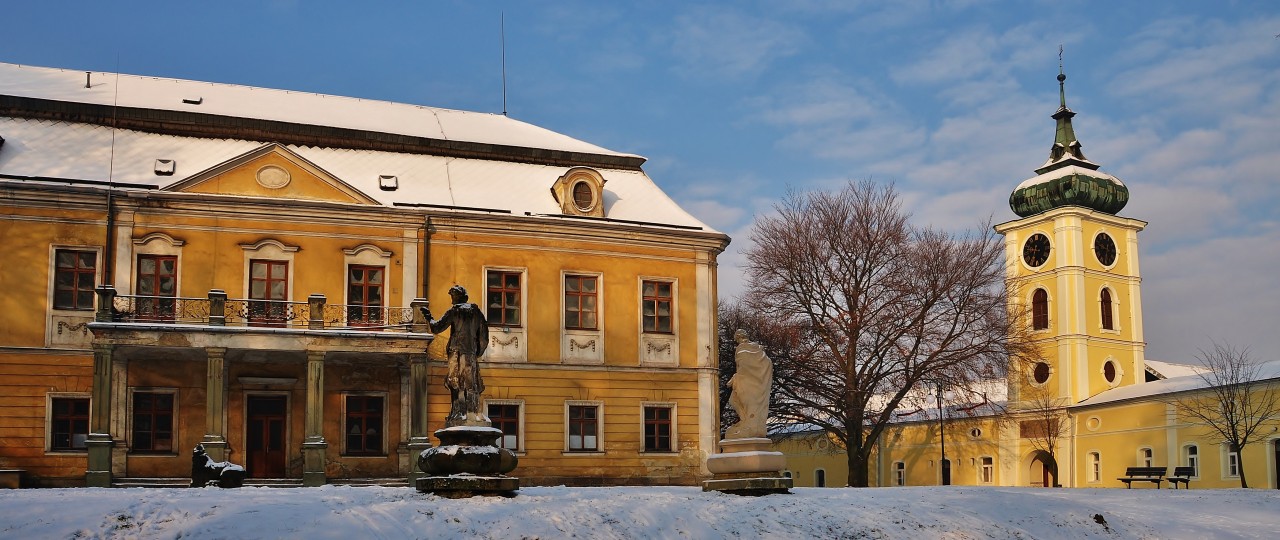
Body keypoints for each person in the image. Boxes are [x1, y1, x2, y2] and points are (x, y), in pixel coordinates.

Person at [420, 285, 489, 427]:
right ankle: (472, 412)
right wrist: (478, 351)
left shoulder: (454, 311)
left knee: (455, 381)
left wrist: (429, 317)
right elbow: (484, 335)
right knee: (471, 382)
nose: (452, 300)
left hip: (455, 351)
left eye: (453, 297)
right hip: (470, 352)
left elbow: (437, 327)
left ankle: (458, 412)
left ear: (459, 298)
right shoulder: (476, 312)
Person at [725, 329, 773, 439]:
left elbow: (742, 367)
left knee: (738, 402)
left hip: (746, 383)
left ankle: (748, 424)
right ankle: (746, 422)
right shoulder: (758, 350)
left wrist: (736, 377)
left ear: (738, 338)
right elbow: (768, 364)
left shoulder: (741, 349)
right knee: (739, 402)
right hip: (758, 384)